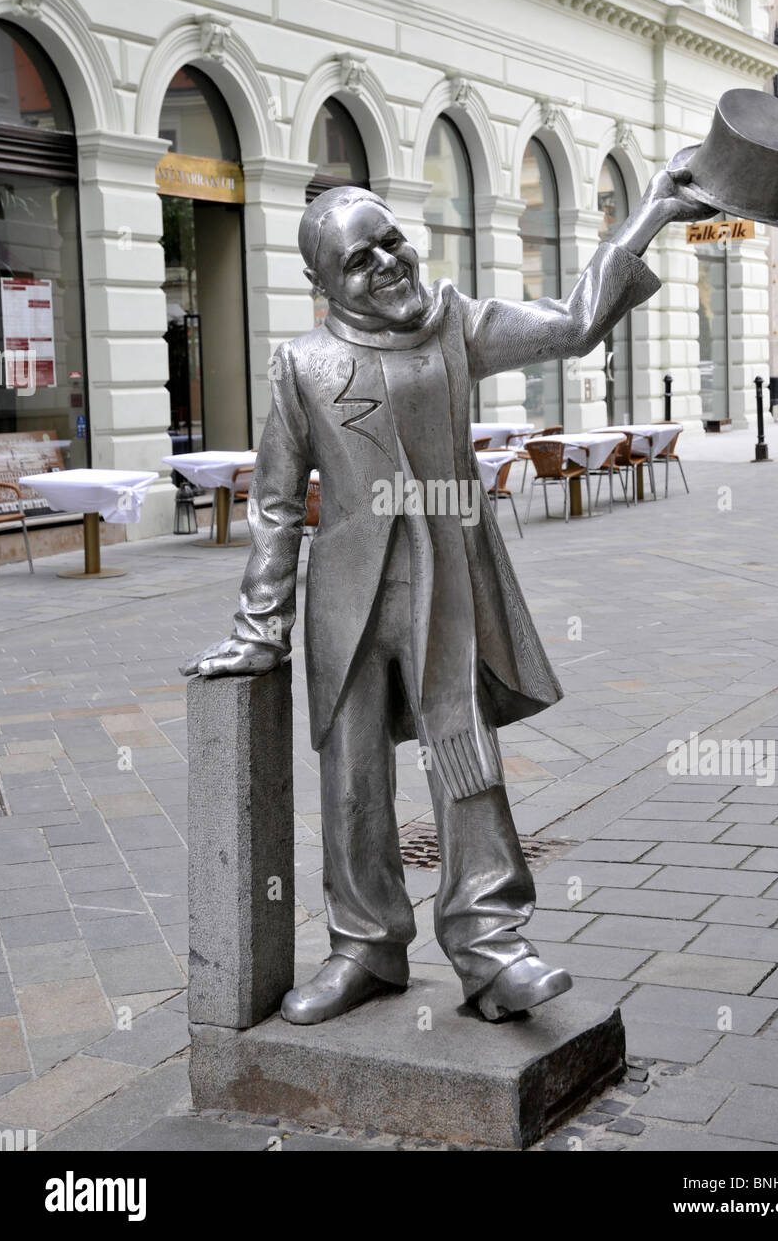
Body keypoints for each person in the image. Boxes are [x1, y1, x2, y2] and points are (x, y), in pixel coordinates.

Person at [182, 164, 714, 1025]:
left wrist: (648, 214)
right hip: (346, 598)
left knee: (464, 758)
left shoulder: (454, 324)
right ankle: (363, 947)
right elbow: (276, 507)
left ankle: (492, 948)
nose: (389, 263)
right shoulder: (301, 364)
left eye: (393, 241)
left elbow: (574, 323)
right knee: (351, 776)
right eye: (361, 259)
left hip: (448, 584)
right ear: (321, 282)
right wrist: (258, 628)